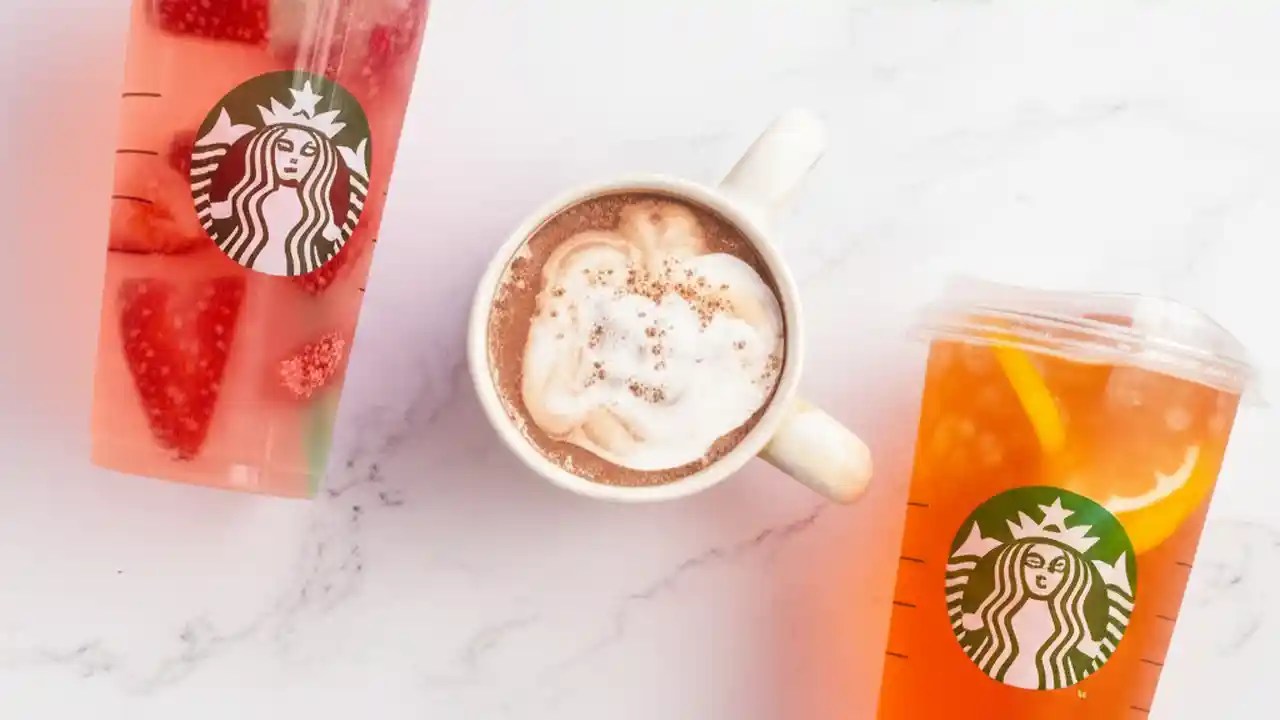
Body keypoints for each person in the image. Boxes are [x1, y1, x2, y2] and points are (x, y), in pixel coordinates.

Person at [958, 539, 1106, 690]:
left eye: (1058, 566)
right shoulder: (998, 605)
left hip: (1051, 689)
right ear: (1016, 565)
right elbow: (969, 623)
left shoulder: (1070, 616)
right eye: (1034, 563)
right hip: (990, 677)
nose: (1044, 574)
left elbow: (1090, 648)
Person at [210, 124, 343, 276]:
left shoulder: (319, 208)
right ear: (266, 150)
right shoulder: (244, 195)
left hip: (295, 274)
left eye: (308, 152)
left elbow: (334, 237)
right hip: (234, 268)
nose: (294, 158)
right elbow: (211, 214)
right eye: (285, 147)